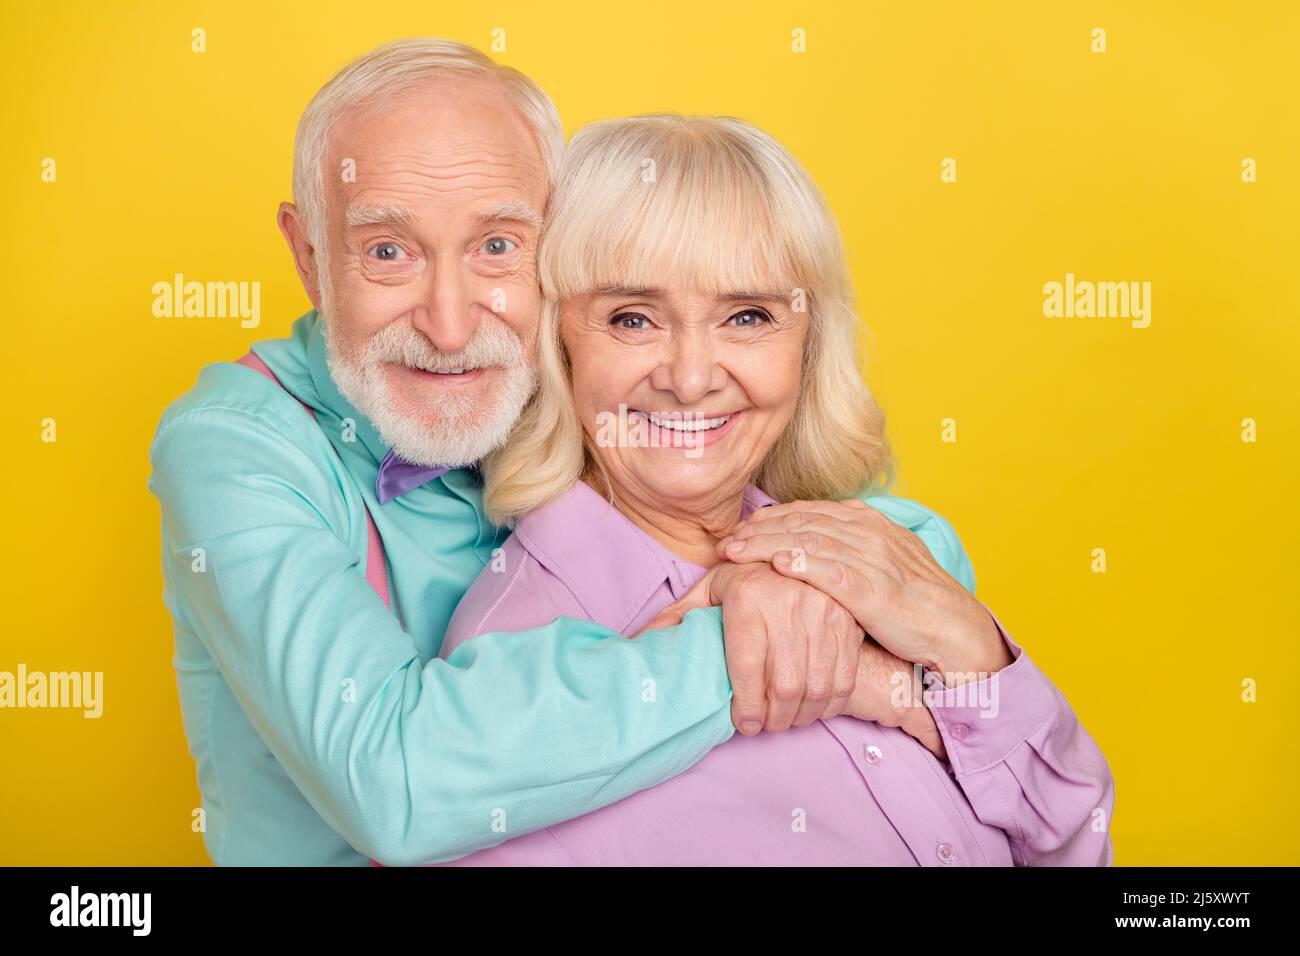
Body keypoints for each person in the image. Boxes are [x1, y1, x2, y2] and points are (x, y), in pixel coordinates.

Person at [148, 39, 935, 866]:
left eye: (497, 246)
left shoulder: (571, 376)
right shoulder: (233, 443)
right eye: (388, 252)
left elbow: (881, 524)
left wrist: (844, 589)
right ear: (309, 257)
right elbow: (393, 784)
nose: (448, 326)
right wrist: (783, 648)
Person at [431, 114, 1115, 865]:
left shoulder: (881, 555)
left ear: (807, 344)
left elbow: (1078, 839)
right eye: (633, 318)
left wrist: (968, 646)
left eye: (747, 315)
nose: (691, 378)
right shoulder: (511, 658)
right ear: (555, 343)